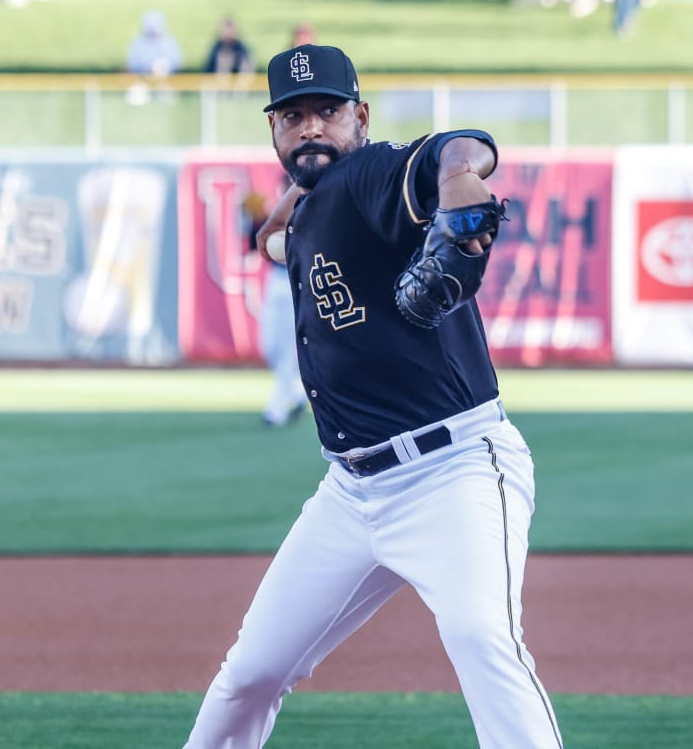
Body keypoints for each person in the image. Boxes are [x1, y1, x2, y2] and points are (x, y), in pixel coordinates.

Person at [181, 43, 563, 749]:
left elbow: (460, 150)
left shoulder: (370, 175)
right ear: (272, 131)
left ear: (359, 115)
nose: (310, 127)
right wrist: (279, 225)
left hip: (453, 471)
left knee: (485, 638)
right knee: (252, 673)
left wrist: (455, 176)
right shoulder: (314, 207)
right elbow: (276, 240)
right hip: (350, 494)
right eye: (291, 116)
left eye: (326, 110)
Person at [242, 190, 306, 427]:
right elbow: (253, 246)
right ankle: (298, 393)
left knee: (289, 350)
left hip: (296, 283)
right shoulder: (275, 215)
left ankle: (275, 410)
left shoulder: (312, 212)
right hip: (275, 282)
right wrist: (255, 220)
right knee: (269, 347)